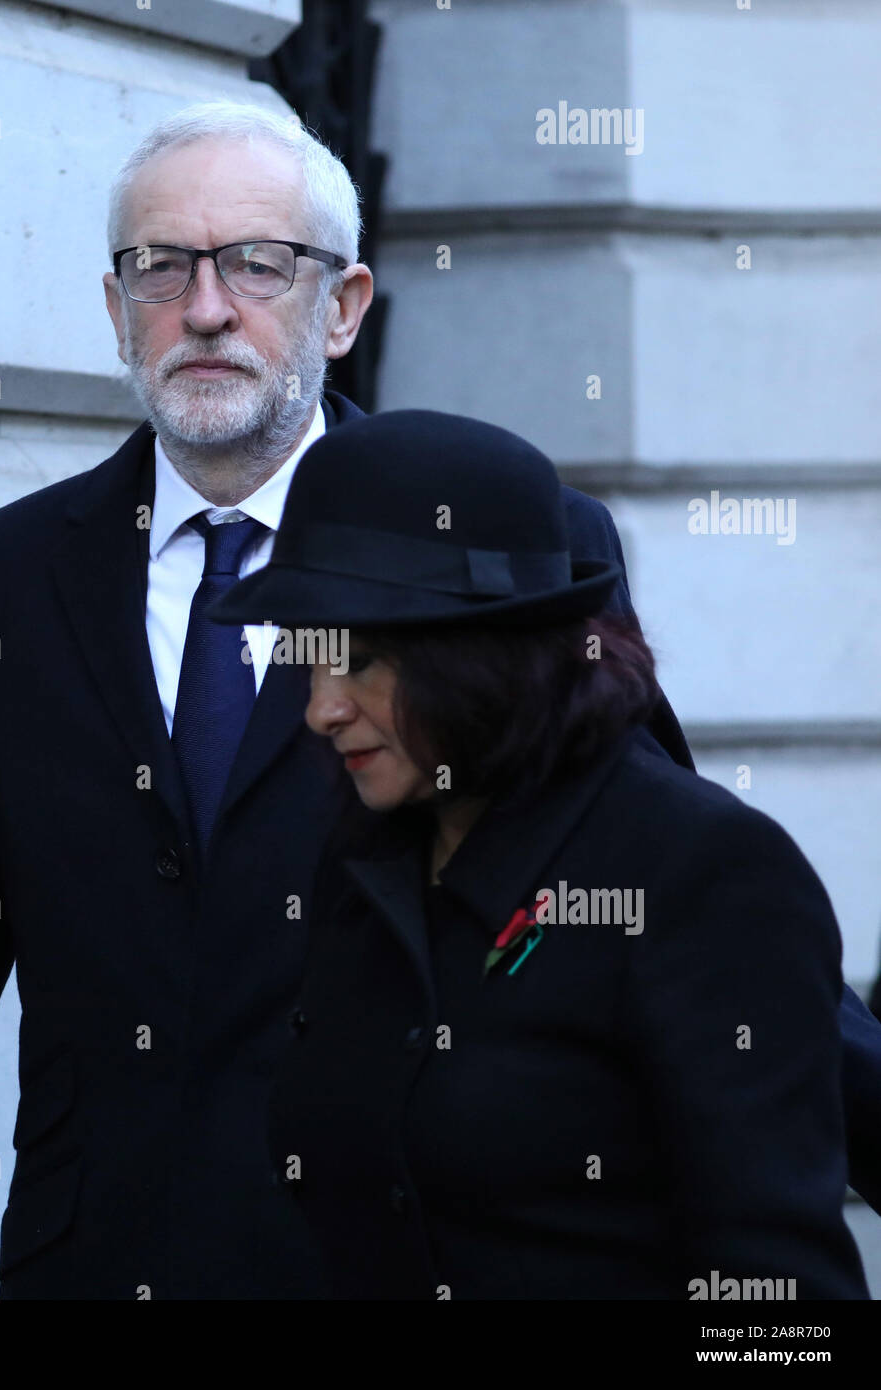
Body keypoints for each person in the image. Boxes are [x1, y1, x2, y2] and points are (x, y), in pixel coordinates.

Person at [0, 101, 879, 1302]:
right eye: (159, 267)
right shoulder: (2, 580)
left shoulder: (509, 543)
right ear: (112, 307)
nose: (203, 308)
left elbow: (671, 910)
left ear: (341, 307)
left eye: (255, 263)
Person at [210, 407, 871, 1300]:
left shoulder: (699, 869)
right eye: (310, 659)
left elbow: (782, 1311)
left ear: (485, 659)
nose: (322, 709)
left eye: (362, 662)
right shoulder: (367, 858)